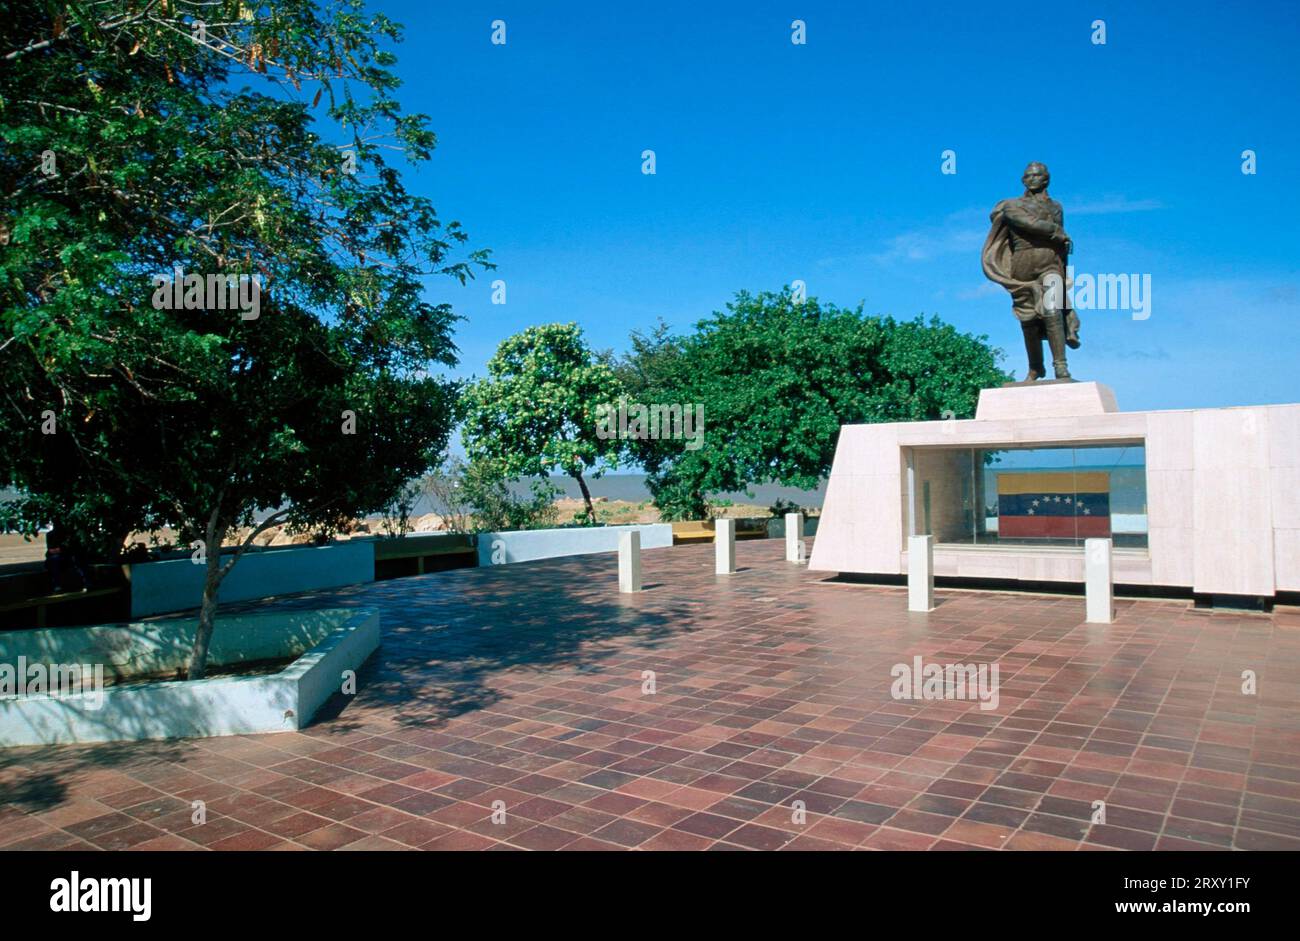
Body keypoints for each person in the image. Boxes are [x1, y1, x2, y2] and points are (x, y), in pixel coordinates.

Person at [981, 162, 1081, 381]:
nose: (1029, 179)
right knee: (1029, 320)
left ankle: (1060, 366)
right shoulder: (1011, 205)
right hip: (1022, 265)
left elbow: (1060, 244)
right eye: (1026, 176)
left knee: (1052, 309)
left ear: (1046, 179)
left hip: (1050, 263)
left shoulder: (1056, 207)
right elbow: (1028, 223)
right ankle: (1036, 367)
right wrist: (1057, 232)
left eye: (1035, 176)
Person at [45, 520, 92, 593]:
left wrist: (63, 549)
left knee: (78, 559)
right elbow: (51, 550)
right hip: (59, 557)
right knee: (55, 560)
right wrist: (64, 549)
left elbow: (75, 547)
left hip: (67, 555)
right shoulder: (50, 534)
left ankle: (87, 583)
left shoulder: (69, 534)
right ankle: (57, 585)